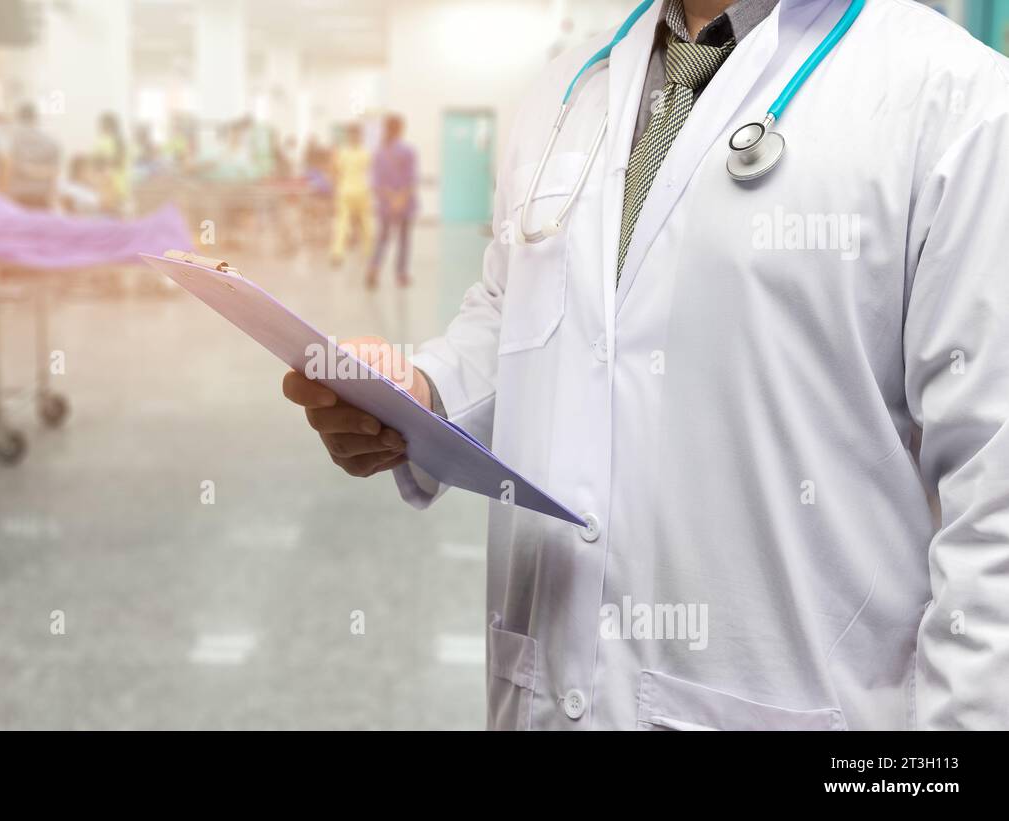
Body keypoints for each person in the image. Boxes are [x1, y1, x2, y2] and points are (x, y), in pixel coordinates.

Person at [282, 0, 1009, 730]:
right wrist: (423, 395)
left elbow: (993, 496)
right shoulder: (569, 91)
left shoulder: (956, 101)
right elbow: (515, 314)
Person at [366, 114, 418, 289]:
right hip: (405, 204)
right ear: (401, 129)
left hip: (385, 205)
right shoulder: (408, 151)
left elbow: (377, 182)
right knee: (403, 240)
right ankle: (401, 275)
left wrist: (390, 198)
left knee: (382, 239)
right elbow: (411, 179)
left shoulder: (379, 152)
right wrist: (400, 198)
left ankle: (373, 268)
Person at [328, 123, 374, 267]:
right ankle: (368, 252)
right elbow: (371, 172)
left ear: (348, 136)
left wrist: (336, 186)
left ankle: (337, 253)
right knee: (366, 223)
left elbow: (335, 172)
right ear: (360, 136)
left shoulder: (342, 152)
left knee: (342, 223)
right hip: (362, 190)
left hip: (345, 191)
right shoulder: (366, 153)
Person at [7, 103, 61, 209]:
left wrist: (25, 169)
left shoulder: (9, 140)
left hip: (15, 198)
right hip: (41, 199)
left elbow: (7, 169)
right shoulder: (52, 143)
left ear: (17, 117)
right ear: (36, 118)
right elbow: (54, 176)